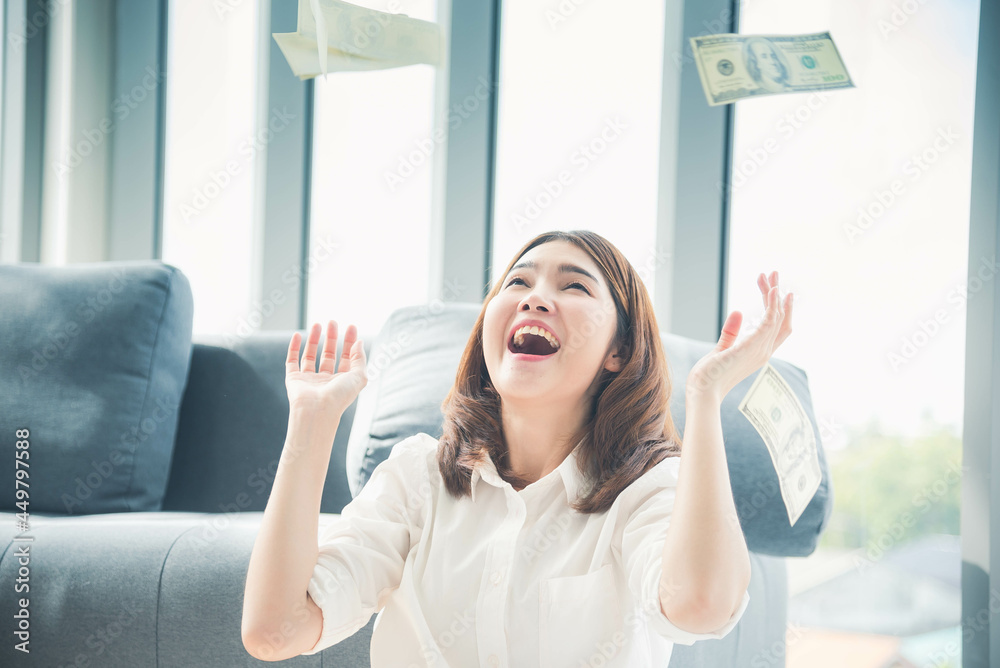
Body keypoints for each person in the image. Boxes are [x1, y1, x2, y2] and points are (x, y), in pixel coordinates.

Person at [242, 229, 794, 666]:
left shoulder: (646, 490)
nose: (536, 298)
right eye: (517, 283)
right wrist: (312, 426)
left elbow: (700, 606)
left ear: (619, 350)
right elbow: (274, 631)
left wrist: (703, 398)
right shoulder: (418, 476)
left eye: (574, 286)